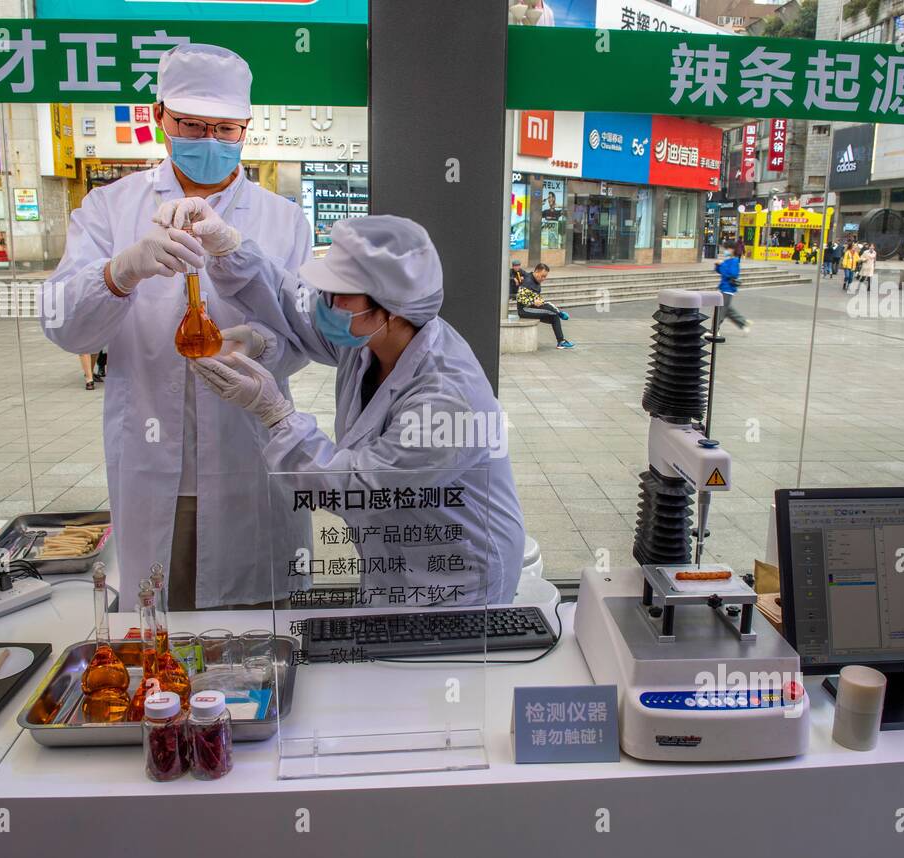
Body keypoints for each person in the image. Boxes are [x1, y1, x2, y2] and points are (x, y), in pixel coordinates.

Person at [41, 43, 313, 611]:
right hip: (155, 468)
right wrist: (119, 272)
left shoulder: (282, 218)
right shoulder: (111, 208)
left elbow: (306, 331)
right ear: (159, 115)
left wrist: (264, 348)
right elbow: (65, 327)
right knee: (163, 634)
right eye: (191, 123)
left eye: (226, 128)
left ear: (246, 128)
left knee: (260, 631)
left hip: (251, 462)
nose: (209, 140)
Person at [167, 211, 527, 607]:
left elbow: (358, 489)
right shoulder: (373, 338)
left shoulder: (449, 401)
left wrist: (275, 414)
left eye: (340, 294)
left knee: (433, 665)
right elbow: (295, 303)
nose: (327, 304)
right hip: (396, 561)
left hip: (457, 578)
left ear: (391, 306)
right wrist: (230, 250)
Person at [516, 263, 575, 350]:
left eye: (545, 276)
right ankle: (559, 313)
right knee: (550, 311)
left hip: (533, 308)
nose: (543, 279)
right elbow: (519, 297)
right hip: (525, 310)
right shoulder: (528, 281)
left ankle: (561, 342)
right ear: (536, 272)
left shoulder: (536, 281)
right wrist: (533, 302)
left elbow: (536, 297)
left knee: (554, 316)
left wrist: (539, 301)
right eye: (542, 276)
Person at [715, 241, 749, 331]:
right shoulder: (728, 260)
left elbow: (732, 274)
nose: (725, 251)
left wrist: (721, 265)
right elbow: (721, 271)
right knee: (727, 309)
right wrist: (717, 266)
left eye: (726, 249)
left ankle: (714, 330)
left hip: (728, 289)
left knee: (721, 310)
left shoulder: (734, 261)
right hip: (724, 288)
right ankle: (743, 323)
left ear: (732, 249)